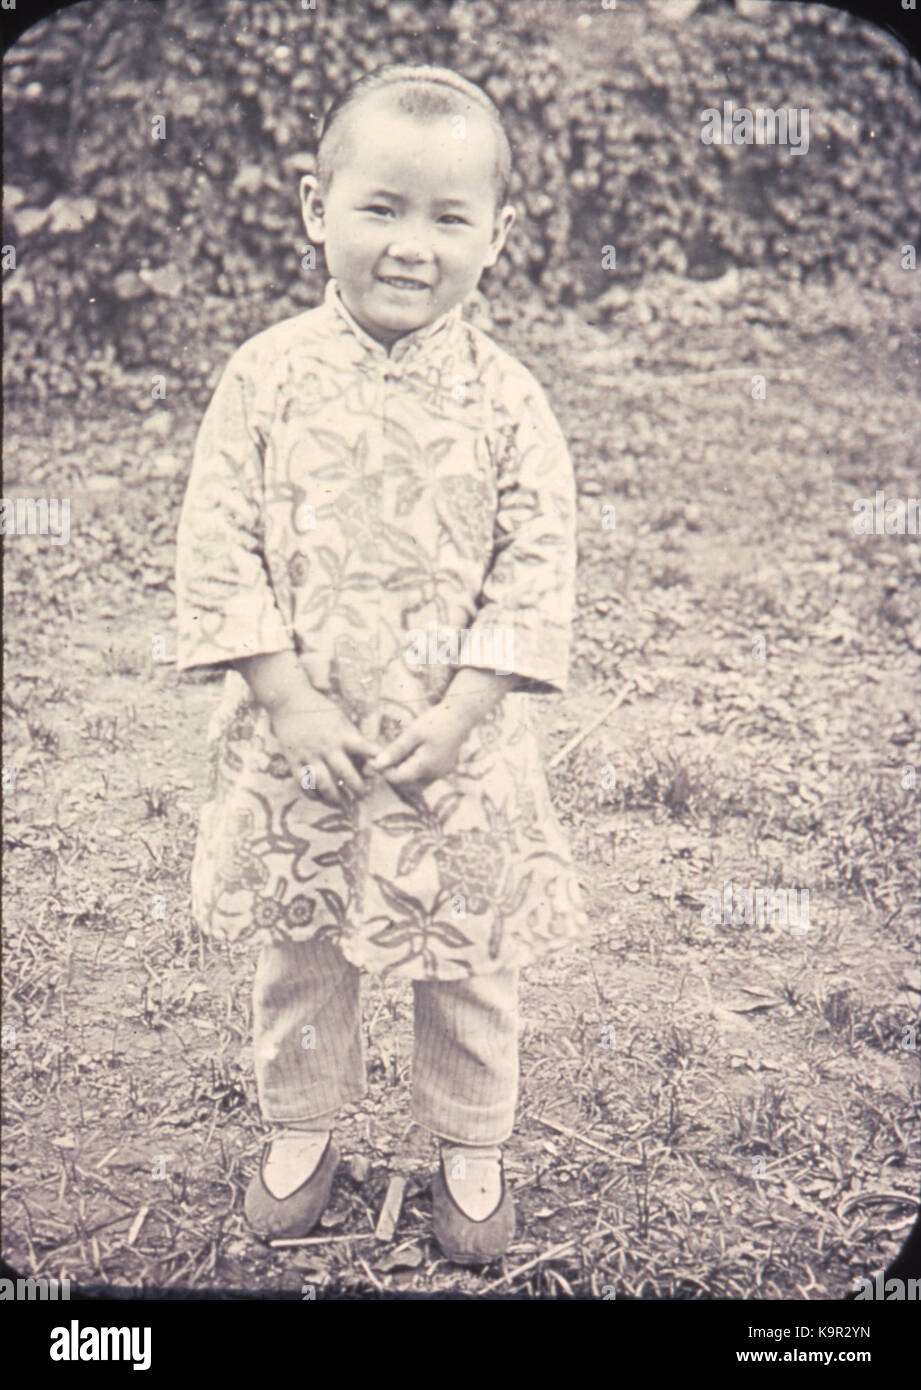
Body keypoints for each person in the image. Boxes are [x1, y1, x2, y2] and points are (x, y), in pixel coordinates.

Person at [175, 63, 588, 1265]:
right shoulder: (264, 378)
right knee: (303, 943)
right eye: (381, 208)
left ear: (497, 237)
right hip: (300, 750)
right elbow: (218, 544)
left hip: (451, 758)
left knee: (466, 955)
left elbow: (534, 566)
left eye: (449, 218)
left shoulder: (512, 403)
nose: (412, 246)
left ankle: (472, 1141)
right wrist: (285, 694)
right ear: (316, 206)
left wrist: (470, 705)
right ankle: (303, 1127)